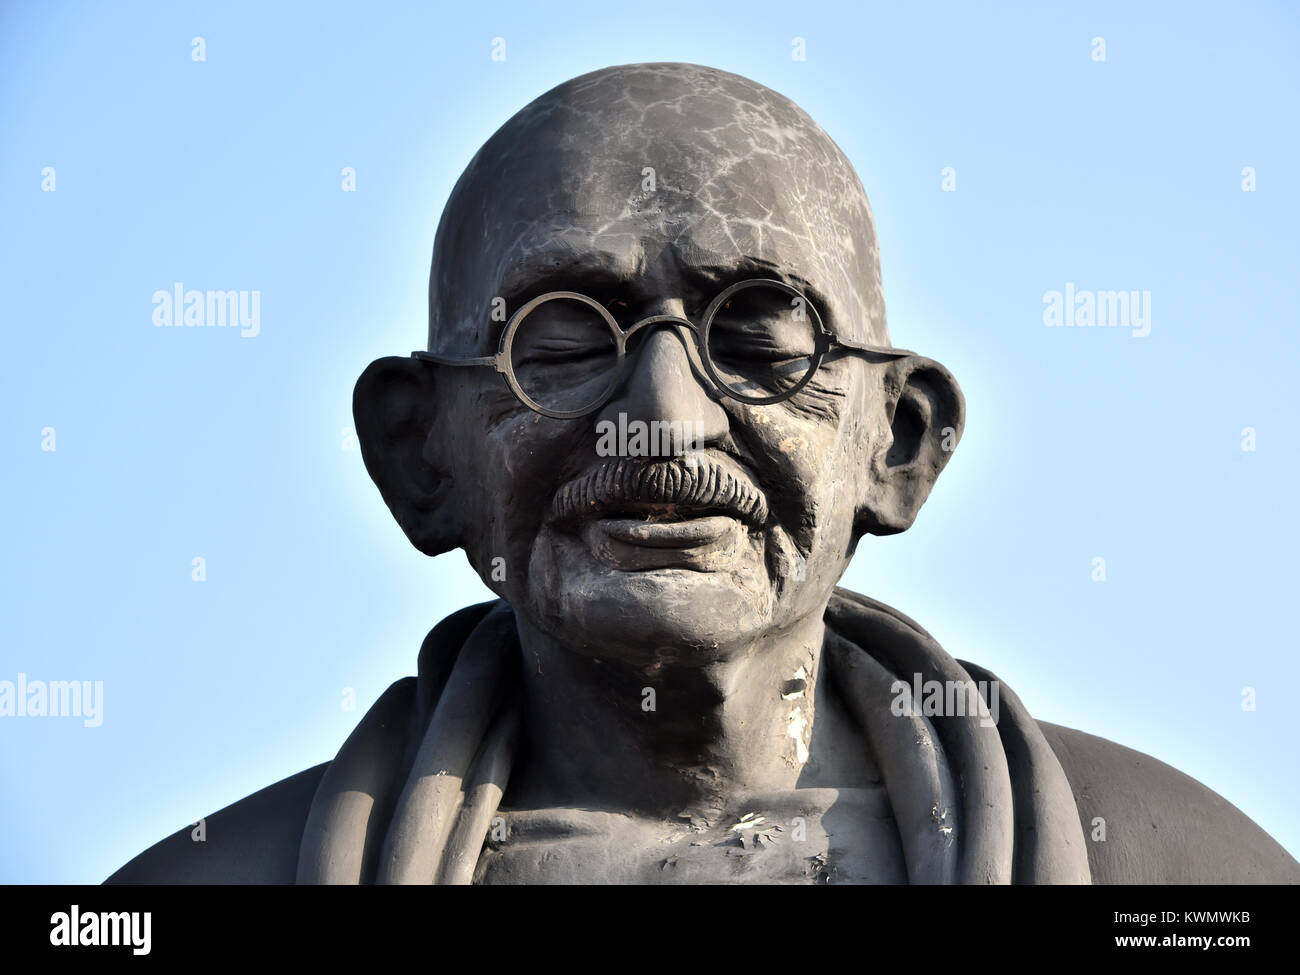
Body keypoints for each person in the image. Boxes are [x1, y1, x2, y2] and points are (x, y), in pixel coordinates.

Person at [109, 62, 1299, 884]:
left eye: (760, 339)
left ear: (896, 441)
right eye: (562, 341)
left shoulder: (1164, 874)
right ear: (421, 454)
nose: (664, 421)